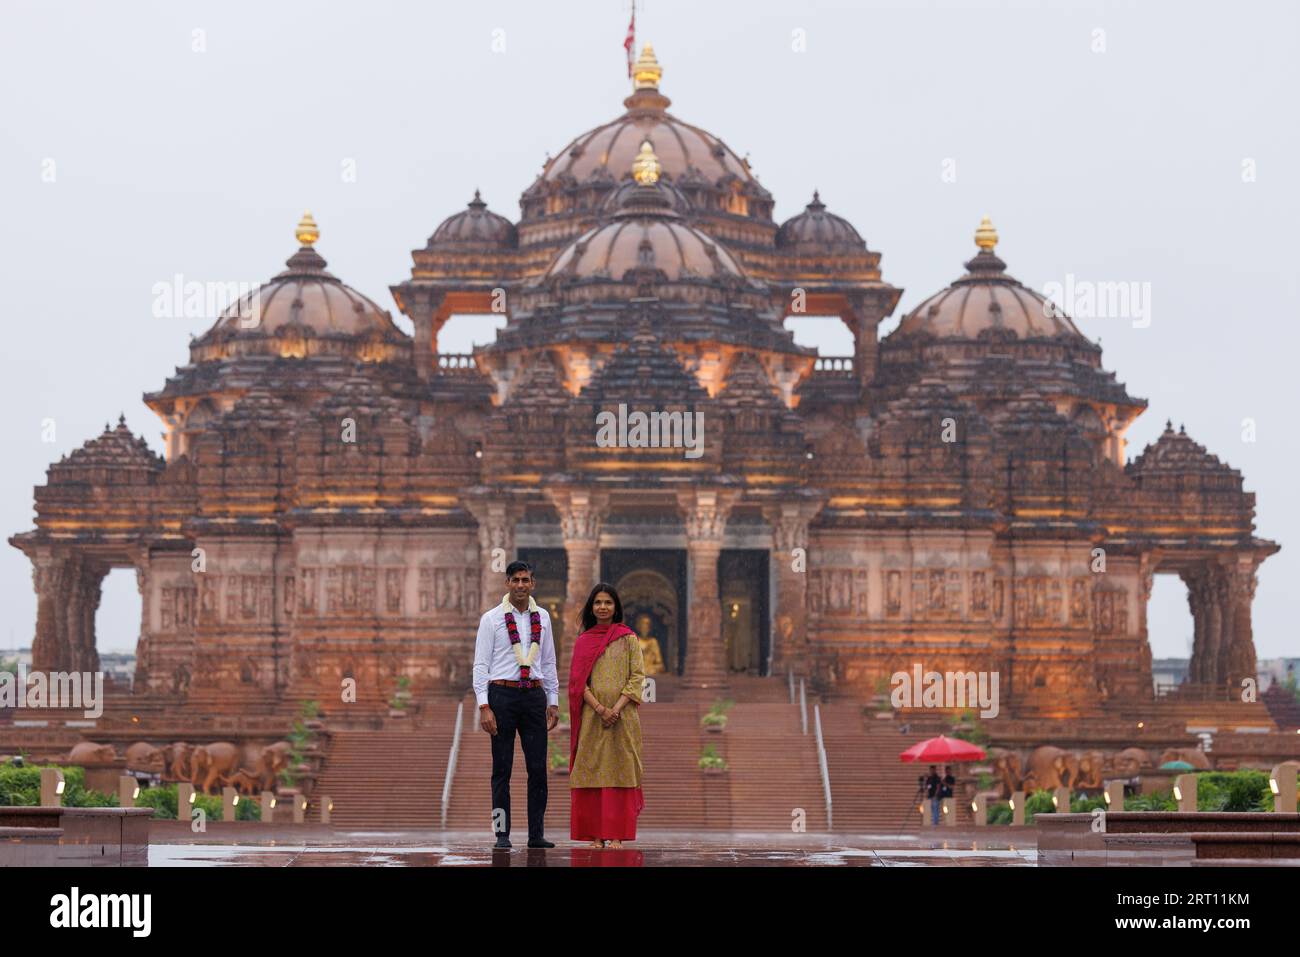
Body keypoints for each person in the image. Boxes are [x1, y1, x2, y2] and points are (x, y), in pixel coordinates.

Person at [473, 560, 560, 849]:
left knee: (537, 769)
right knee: (502, 769)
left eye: (526, 580)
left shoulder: (544, 618)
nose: (521, 585)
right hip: (502, 696)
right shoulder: (492, 619)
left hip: (534, 696)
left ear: (533, 583)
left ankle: (536, 835)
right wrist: (484, 706)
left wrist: (553, 700)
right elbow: (481, 665)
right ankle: (502, 834)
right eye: (515, 580)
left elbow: (548, 661)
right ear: (507, 583)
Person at [568, 582, 646, 848]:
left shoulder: (629, 638)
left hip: (623, 718)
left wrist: (617, 708)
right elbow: (578, 683)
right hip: (592, 716)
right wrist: (601, 709)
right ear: (592, 607)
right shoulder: (583, 641)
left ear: (616, 608)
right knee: (593, 770)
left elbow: (638, 677)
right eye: (598, 603)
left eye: (608, 603)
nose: (603, 607)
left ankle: (616, 835)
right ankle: (596, 835)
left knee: (620, 771)